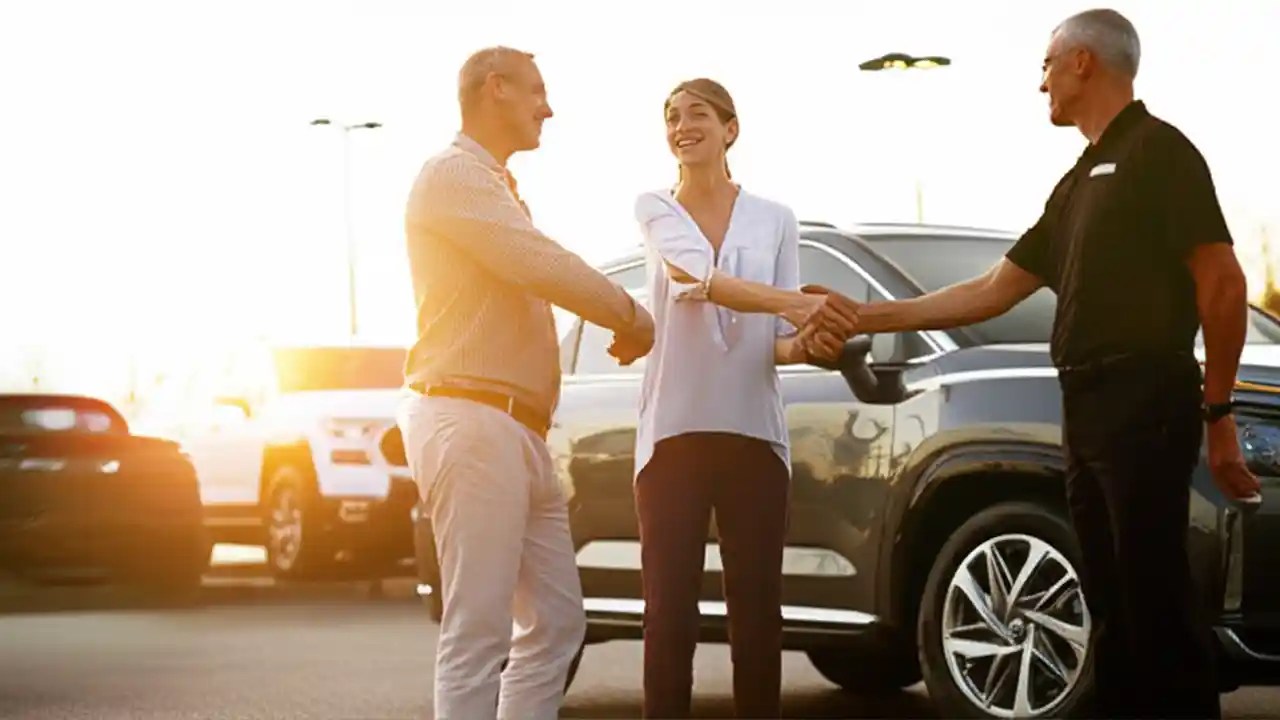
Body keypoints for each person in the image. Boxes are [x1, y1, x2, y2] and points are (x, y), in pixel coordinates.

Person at [804, 9, 1261, 719]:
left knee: (1156, 607)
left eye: (1048, 63)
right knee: (1107, 606)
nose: (1039, 80)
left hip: (1147, 398)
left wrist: (1221, 412)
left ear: (1084, 62)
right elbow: (988, 291)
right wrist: (860, 315)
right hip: (1083, 406)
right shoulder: (1077, 182)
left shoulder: (1159, 153)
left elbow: (1224, 282)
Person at [397, 46, 656, 720]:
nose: (548, 106)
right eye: (536, 91)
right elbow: (536, 262)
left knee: (556, 625)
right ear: (495, 88)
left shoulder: (493, 185)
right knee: (478, 631)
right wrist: (630, 316)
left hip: (519, 430)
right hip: (469, 416)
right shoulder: (452, 175)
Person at [629, 77, 858, 719]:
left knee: (757, 615)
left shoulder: (776, 219)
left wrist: (810, 339)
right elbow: (698, 281)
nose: (682, 125)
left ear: (730, 129)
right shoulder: (654, 207)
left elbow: (778, 343)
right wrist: (802, 302)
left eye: (697, 114)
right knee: (668, 614)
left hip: (756, 437)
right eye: (672, 116)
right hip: (673, 435)